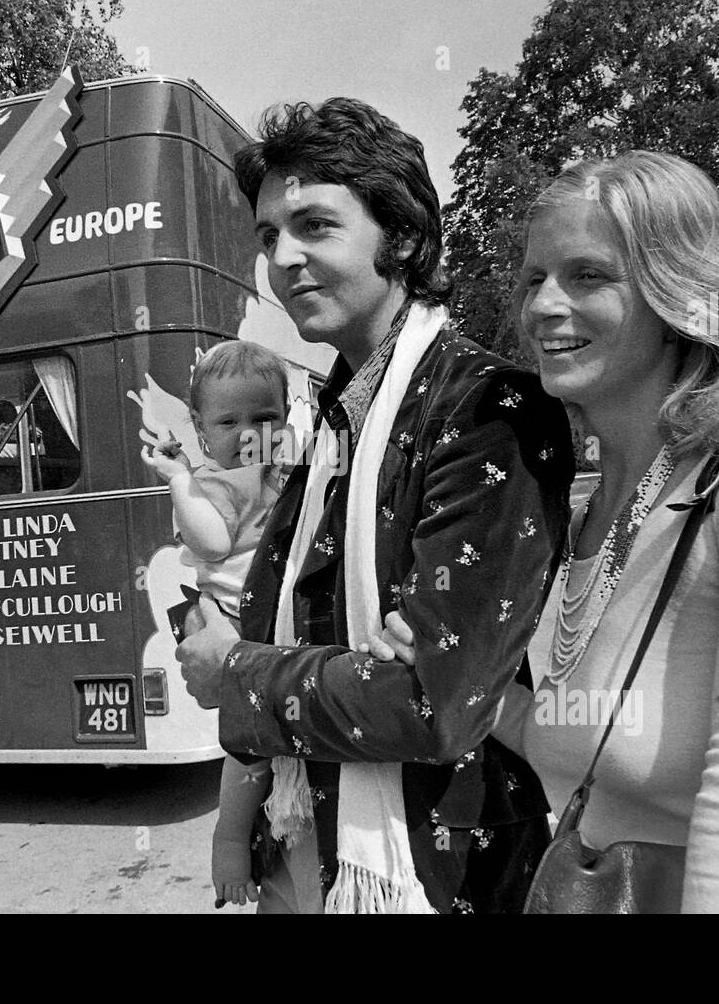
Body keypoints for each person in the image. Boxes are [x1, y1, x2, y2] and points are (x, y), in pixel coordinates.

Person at [373, 150, 719, 913]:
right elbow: (574, 743)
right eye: (534, 278)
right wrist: (452, 669)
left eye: (589, 275)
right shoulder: (578, 514)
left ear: (684, 292)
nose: (542, 305)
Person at [175, 97, 575, 914]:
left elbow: (430, 703)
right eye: (266, 237)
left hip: (432, 870)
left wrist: (234, 669)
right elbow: (293, 622)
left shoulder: (489, 409)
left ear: (403, 238)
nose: (282, 258)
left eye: (315, 226)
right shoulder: (329, 418)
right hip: (300, 842)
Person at [140, 339, 293, 909]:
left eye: (265, 416)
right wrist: (179, 479)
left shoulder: (288, 465)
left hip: (272, 627)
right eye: (229, 421)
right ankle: (229, 838)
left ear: (287, 416)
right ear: (204, 432)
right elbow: (212, 540)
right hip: (236, 622)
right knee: (247, 752)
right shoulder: (221, 483)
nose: (249, 431)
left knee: (271, 744)